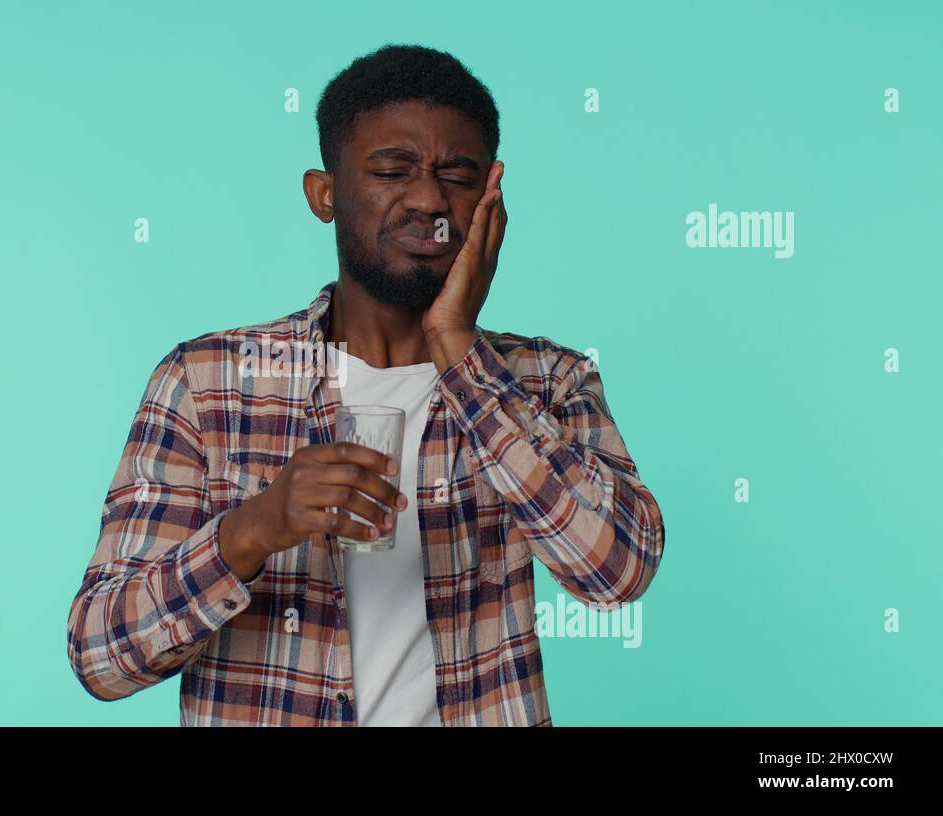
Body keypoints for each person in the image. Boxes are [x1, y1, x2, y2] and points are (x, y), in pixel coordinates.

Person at [67, 43, 665, 726]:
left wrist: (459, 352)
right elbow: (101, 656)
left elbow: (617, 573)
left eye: (458, 175)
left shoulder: (548, 380)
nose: (428, 199)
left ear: (491, 199)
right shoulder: (208, 384)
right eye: (392, 169)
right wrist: (255, 528)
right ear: (324, 195)